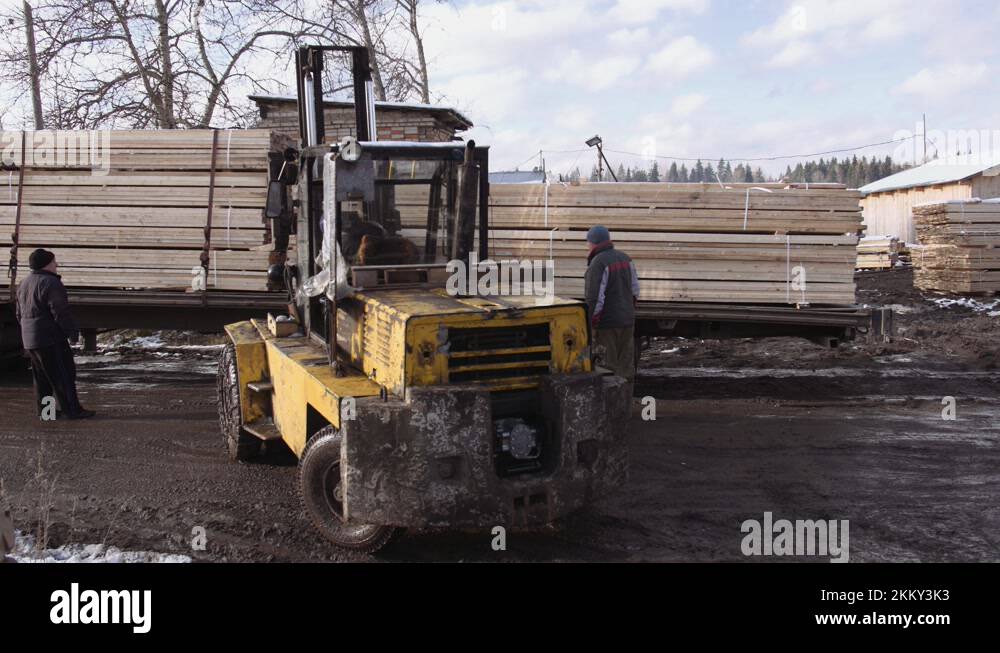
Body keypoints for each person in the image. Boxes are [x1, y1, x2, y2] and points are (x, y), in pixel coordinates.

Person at [15, 249, 95, 419]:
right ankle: (73, 410)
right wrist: (72, 332)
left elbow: (18, 313)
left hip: (31, 340)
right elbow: (60, 311)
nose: (56, 264)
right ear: (46, 264)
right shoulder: (51, 283)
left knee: (42, 379)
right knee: (63, 375)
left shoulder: (24, 283)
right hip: (50, 338)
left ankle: (47, 413)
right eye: (54, 261)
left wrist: (27, 332)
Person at [584, 225, 640, 383]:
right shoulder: (625, 258)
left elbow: (595, 299)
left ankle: (609, 406)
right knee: (626, 368)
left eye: (588, 243)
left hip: (607, 325)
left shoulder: (598, 263)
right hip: (627, 322)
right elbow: (635, 291)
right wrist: (627, 310)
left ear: (593, 243)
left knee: (607, 368)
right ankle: (625, 404)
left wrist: (590, 325)